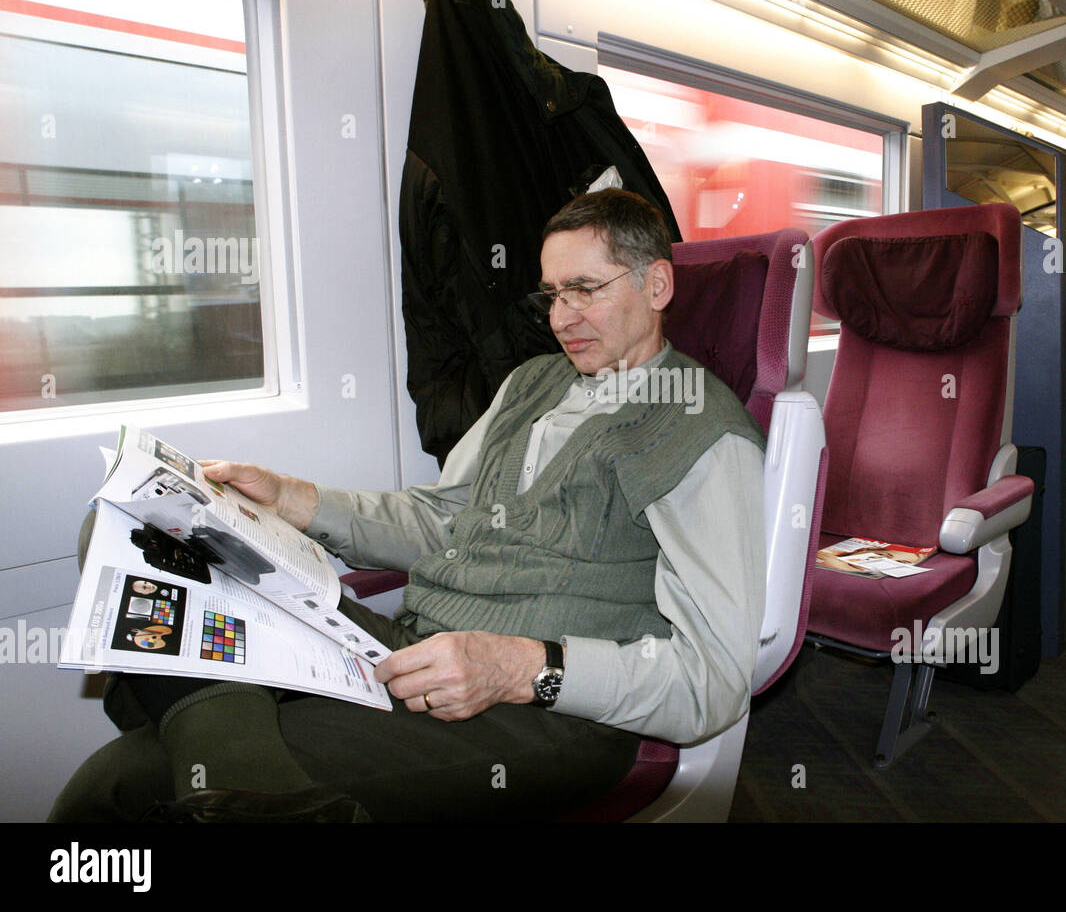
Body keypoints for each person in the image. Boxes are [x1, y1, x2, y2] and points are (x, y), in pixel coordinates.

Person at [50, 189, 767, 822]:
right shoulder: (533, 384)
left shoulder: (701, 431)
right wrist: (292, 500)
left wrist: (520, 665)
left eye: (584, 289)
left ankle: (248, 782)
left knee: (122, 785)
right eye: (550, 294)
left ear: (658, 284)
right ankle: (267, 793)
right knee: (141, 529)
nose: (561, 317)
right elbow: (442, 523)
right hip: (410, 650)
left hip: (540, 712)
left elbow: (713, 682)